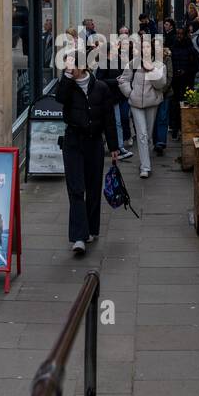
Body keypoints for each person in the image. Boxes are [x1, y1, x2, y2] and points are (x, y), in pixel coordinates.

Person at [57, 32, 119, 255]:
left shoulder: (100, 87)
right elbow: (59, 98)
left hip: (94, 144)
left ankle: (91, 229)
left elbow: (109, 120)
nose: (69, 67)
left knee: (93, 188)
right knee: (76, 188)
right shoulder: (67, 86)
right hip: (73, 142)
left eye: (72, 63)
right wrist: (66, 76)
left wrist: (114, 147)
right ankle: (78, 237)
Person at [119, 31, 171, 179]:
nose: (146, 49)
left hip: (151, 103)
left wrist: (151, 70)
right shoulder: (133, 63)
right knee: (141, 134)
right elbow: (123, 80)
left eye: (148, 47)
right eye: (144, 47)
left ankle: (145, 159)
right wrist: (130, 93)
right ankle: (145, 166)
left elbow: (161, 84)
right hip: (135, 103)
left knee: (147, 135)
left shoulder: (159, 64)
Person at [95, 24, 134, 161]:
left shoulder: (118, 61)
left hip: (116, 97)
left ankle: (119, 147)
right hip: (107, 98)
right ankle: (118, 148)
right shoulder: (103, 63)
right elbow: (99, 80)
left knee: (117, 122)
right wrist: (115, 81)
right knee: (113, 123)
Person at [170, 23, 199, 136]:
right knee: (175, 105)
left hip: (187, 82)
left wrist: (187, 72)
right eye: (177, 34)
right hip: (175, 82)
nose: (179, 36)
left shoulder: (190, 49)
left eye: (181, 34)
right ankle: (175, 128)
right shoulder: (173, 48)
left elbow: (197, 64)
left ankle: (185, 127)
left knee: (186, 104)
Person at [152, 19, 177, 154]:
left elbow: (170, 76)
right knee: (154, 118)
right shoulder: (150, 59)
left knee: (162, 117)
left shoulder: (167, 58)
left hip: (165, 93)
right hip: (152, 93)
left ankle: (160, 142)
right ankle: (155, 140)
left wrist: (163, 89)